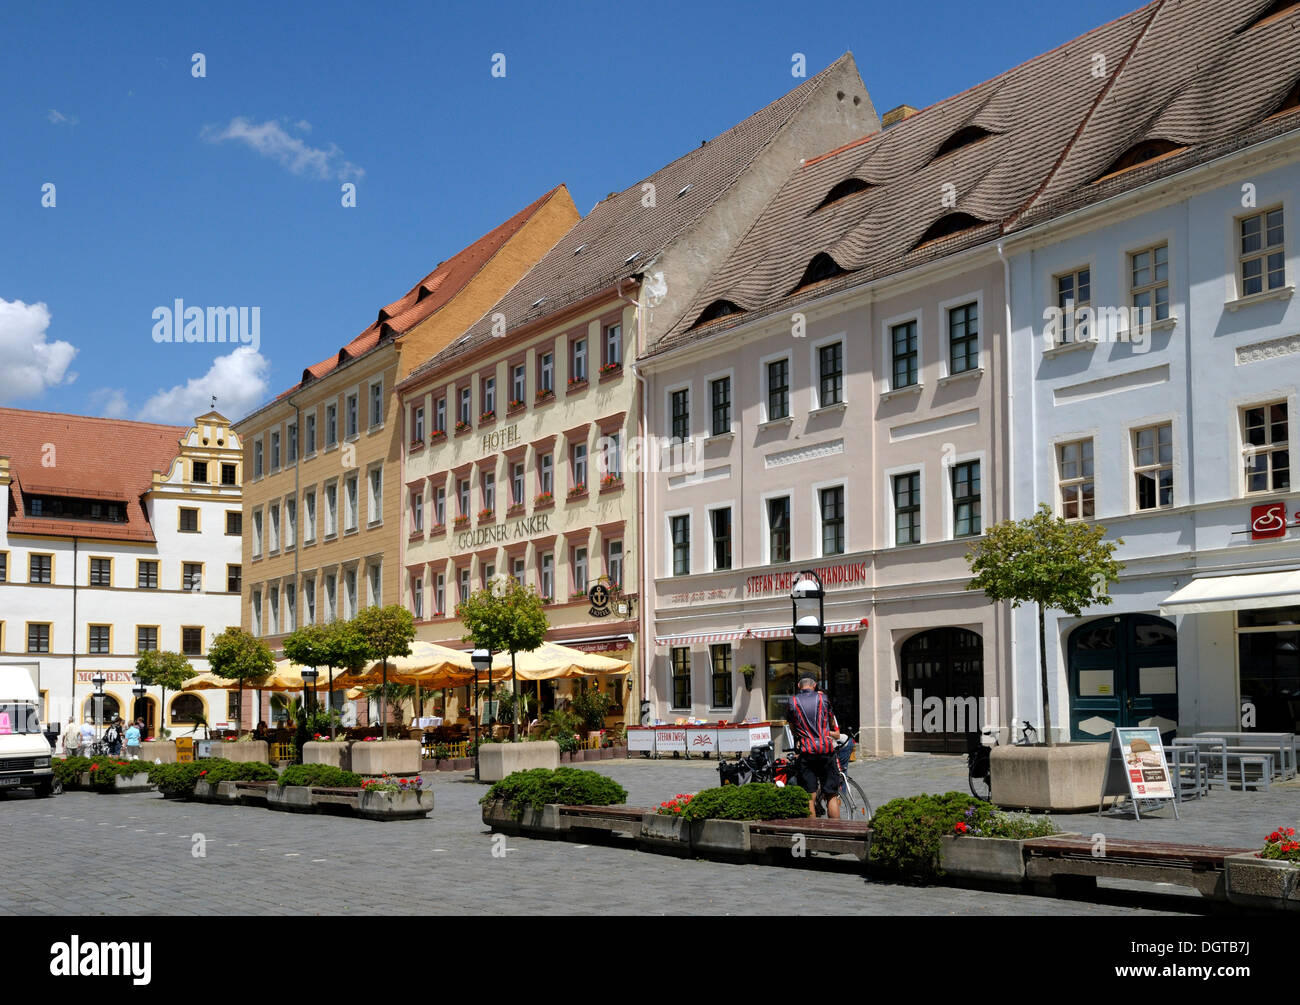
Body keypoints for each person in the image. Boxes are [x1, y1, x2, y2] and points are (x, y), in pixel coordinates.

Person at [786, 673, 841, 819]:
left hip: (806, 752)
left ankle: (812, 833)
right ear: (815, 685)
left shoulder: (793, 701)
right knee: (831, 795)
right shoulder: (823, 698)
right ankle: (836, 832)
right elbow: (831, 722)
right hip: (825, 751)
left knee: (809, 796)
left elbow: (792, 727)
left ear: (799, 686)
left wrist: (800, 737)